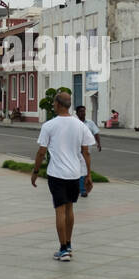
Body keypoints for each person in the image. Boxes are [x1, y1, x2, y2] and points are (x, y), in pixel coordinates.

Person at [31, 91, 95, 261]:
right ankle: (69, 244)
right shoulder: (80, 125)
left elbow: (41, 152)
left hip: (57, 174)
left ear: (58, 104)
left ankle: (63, 249)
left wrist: (35, 172)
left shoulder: (49, 126)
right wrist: (88, 175)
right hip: (75, 174)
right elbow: (86, 152)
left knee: (60, 210)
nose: (53, 105)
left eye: (54, 103)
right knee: (69, 208)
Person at [74, 104, 101, 199]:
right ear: (77, 113)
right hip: (76, 151)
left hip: (86, 152)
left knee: (84, 170)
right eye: (81, 111)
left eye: (84, 111)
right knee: (78, 170)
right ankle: (81, 189)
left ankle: (82, 189)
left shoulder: (90, 123)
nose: (83, 113)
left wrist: (98, 143)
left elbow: (96, 133)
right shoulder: (74, 123)